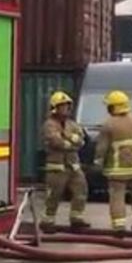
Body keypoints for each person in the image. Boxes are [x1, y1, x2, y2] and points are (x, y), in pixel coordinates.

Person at [94, 90, 132, 235]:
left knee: (117, 196)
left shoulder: (108, 125)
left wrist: (97, 164)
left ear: (113, 107)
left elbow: (102, 148)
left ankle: (119, 225)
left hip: (116, 171)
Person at [41, 91, 90, 232]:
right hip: (56, 167)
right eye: (62, 106)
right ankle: (48, 222)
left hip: (73, 166)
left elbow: (81, 141)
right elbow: (55, 141)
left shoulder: (72, 124)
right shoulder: (49, 124)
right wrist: (70, 143)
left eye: (67, 105)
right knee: (54, 195)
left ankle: (76, 219)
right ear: (55, 107)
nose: (66, 108)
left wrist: (70, 139)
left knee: (81, 190)